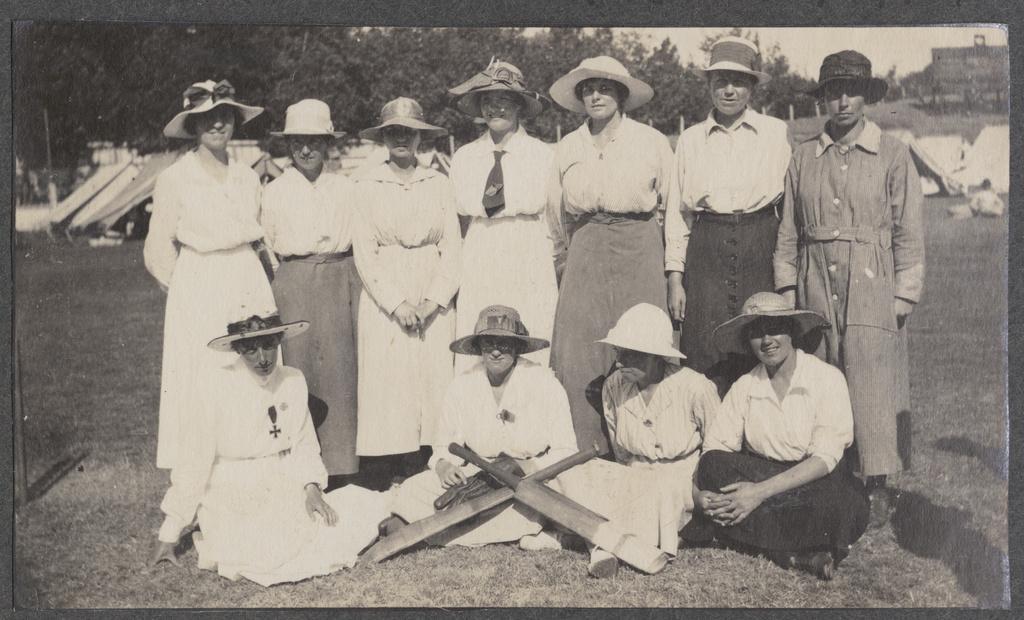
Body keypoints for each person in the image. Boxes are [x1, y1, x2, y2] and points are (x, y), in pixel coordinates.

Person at [390, 305, 659, 577]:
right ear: (478, 346)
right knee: (413, 490)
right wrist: (444, 466)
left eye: (504, 344)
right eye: (488, 343)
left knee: (573, 489)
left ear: (518, 347)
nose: (495, 351)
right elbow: (442, 446)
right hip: (479, 478)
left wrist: (525, 466)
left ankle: (578, 539)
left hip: (535, 480)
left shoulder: (544, 383)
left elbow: (566, 450)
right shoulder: (462, 385)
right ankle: (534, 530)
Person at [774, 50, 925, 525]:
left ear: (866, 98)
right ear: (822, 99)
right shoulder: (804, 157)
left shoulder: (893, 153)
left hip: (871, 281)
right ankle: (831, 476)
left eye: (852, 92)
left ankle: (877, 482)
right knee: (823, 376)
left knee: (871, 378)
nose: (842, 102)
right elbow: (788, 232)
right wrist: (786, 289)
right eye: (833, 93)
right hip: (815, 280)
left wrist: (904, 293)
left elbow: (909, 230)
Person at [150, 307, 390, 586]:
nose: (262, 358)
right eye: (251, 350)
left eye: (268, 346)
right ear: (237, 349)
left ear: (278, 342)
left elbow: (304, 442)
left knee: (344, 516)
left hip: (281, 477)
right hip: (231, 486)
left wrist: (311, 488)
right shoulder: (215, 384)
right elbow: (195, 460)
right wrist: (170, 532)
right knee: (268, 551)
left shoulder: (292, 380)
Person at [682, 292, 869, 580]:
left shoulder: (826, 378)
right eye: (757, 333)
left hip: (814, 481)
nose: (767, 340)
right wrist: (699, 495)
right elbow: (715, 449)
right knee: (713, 465)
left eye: (775, 329)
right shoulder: (745, 385)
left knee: (841, 502)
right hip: (763, 475)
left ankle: (743, 537)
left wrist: (757, 494)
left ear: (792, 331)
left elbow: (825, 459)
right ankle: (795, 551)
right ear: (748, 341)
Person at [546, 56, 678, 454]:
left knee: (644, 344)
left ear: (621, 95)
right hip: (585, 247)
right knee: (580, 351)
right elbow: (555, 213)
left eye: (604, 88)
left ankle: (648, 448)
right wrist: (565, 258)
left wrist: (674, 271)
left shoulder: (651, 141)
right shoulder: (568, 146)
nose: (595, 96)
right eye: (587, 89)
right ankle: (587, 452)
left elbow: (672, 208)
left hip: (640, 246)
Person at [144, 79, 277, 471]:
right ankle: (201, 474)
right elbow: (157, 250)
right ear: (192, 126)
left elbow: (260, 236)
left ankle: (253, 465)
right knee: (203, 374)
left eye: (225, 117)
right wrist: (189, 291)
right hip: (200, 284)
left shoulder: (247, 177)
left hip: (247, 280)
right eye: (207, 118)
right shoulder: (175, 178)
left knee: (252, 366)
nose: (217, 125)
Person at [664, 36, 792, 395]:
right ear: (709, 85)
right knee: (704, 352)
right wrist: (675, 278)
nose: (729, 91)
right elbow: (677, 214)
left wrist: (787, 278)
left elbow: (790, 206)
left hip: (760, 246)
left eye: (738, 82)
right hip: (706, 253)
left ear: (752, 87)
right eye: (721, 81)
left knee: (761, 344)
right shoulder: (690, 140)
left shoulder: (775, 133)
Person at [351, 97, 462, 490]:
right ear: (383, 138)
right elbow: (364, 252)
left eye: (409, 132)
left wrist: (433, 301)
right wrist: (397, 303)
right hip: (386, 292)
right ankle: (387, 472)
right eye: (393, 132)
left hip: (431, 287)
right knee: (389, 378)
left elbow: (453, 245)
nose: (401, 139)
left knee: (433, 377)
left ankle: (431, 464)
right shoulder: (365, 184)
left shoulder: (438, 183)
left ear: (420, 137)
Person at [261, 99, 361, 489]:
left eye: (315, 141)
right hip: (295, 280)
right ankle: (303, 465)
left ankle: (344, 466)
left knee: (341, 371)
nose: (306, 150)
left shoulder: (346, 187)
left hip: (340, 277)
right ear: (288, 146)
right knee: (298, 368)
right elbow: (268, 246)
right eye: (298, 142)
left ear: (327, 144)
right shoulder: (274, 191)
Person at [447, 59, 558, 372]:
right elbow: (457, 220)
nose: (495, 108)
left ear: (519, 106)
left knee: (530, 327)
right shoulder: (464, 157)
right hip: (480, 248)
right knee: (480, 328)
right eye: (488, 101)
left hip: (528, 248)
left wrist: (546, 258)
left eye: (504, 100)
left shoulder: (543, 155)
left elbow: (554, 219)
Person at [597, 303, 720, 554]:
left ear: (655, 356)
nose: (619, 363)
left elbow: (717, 448)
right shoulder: (613, 387)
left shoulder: (695, 387)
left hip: (684, 483)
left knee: (649, 511)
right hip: (634, 479)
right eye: (618, 352)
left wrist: (698, 492)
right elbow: (620, 452)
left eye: (629, 354)